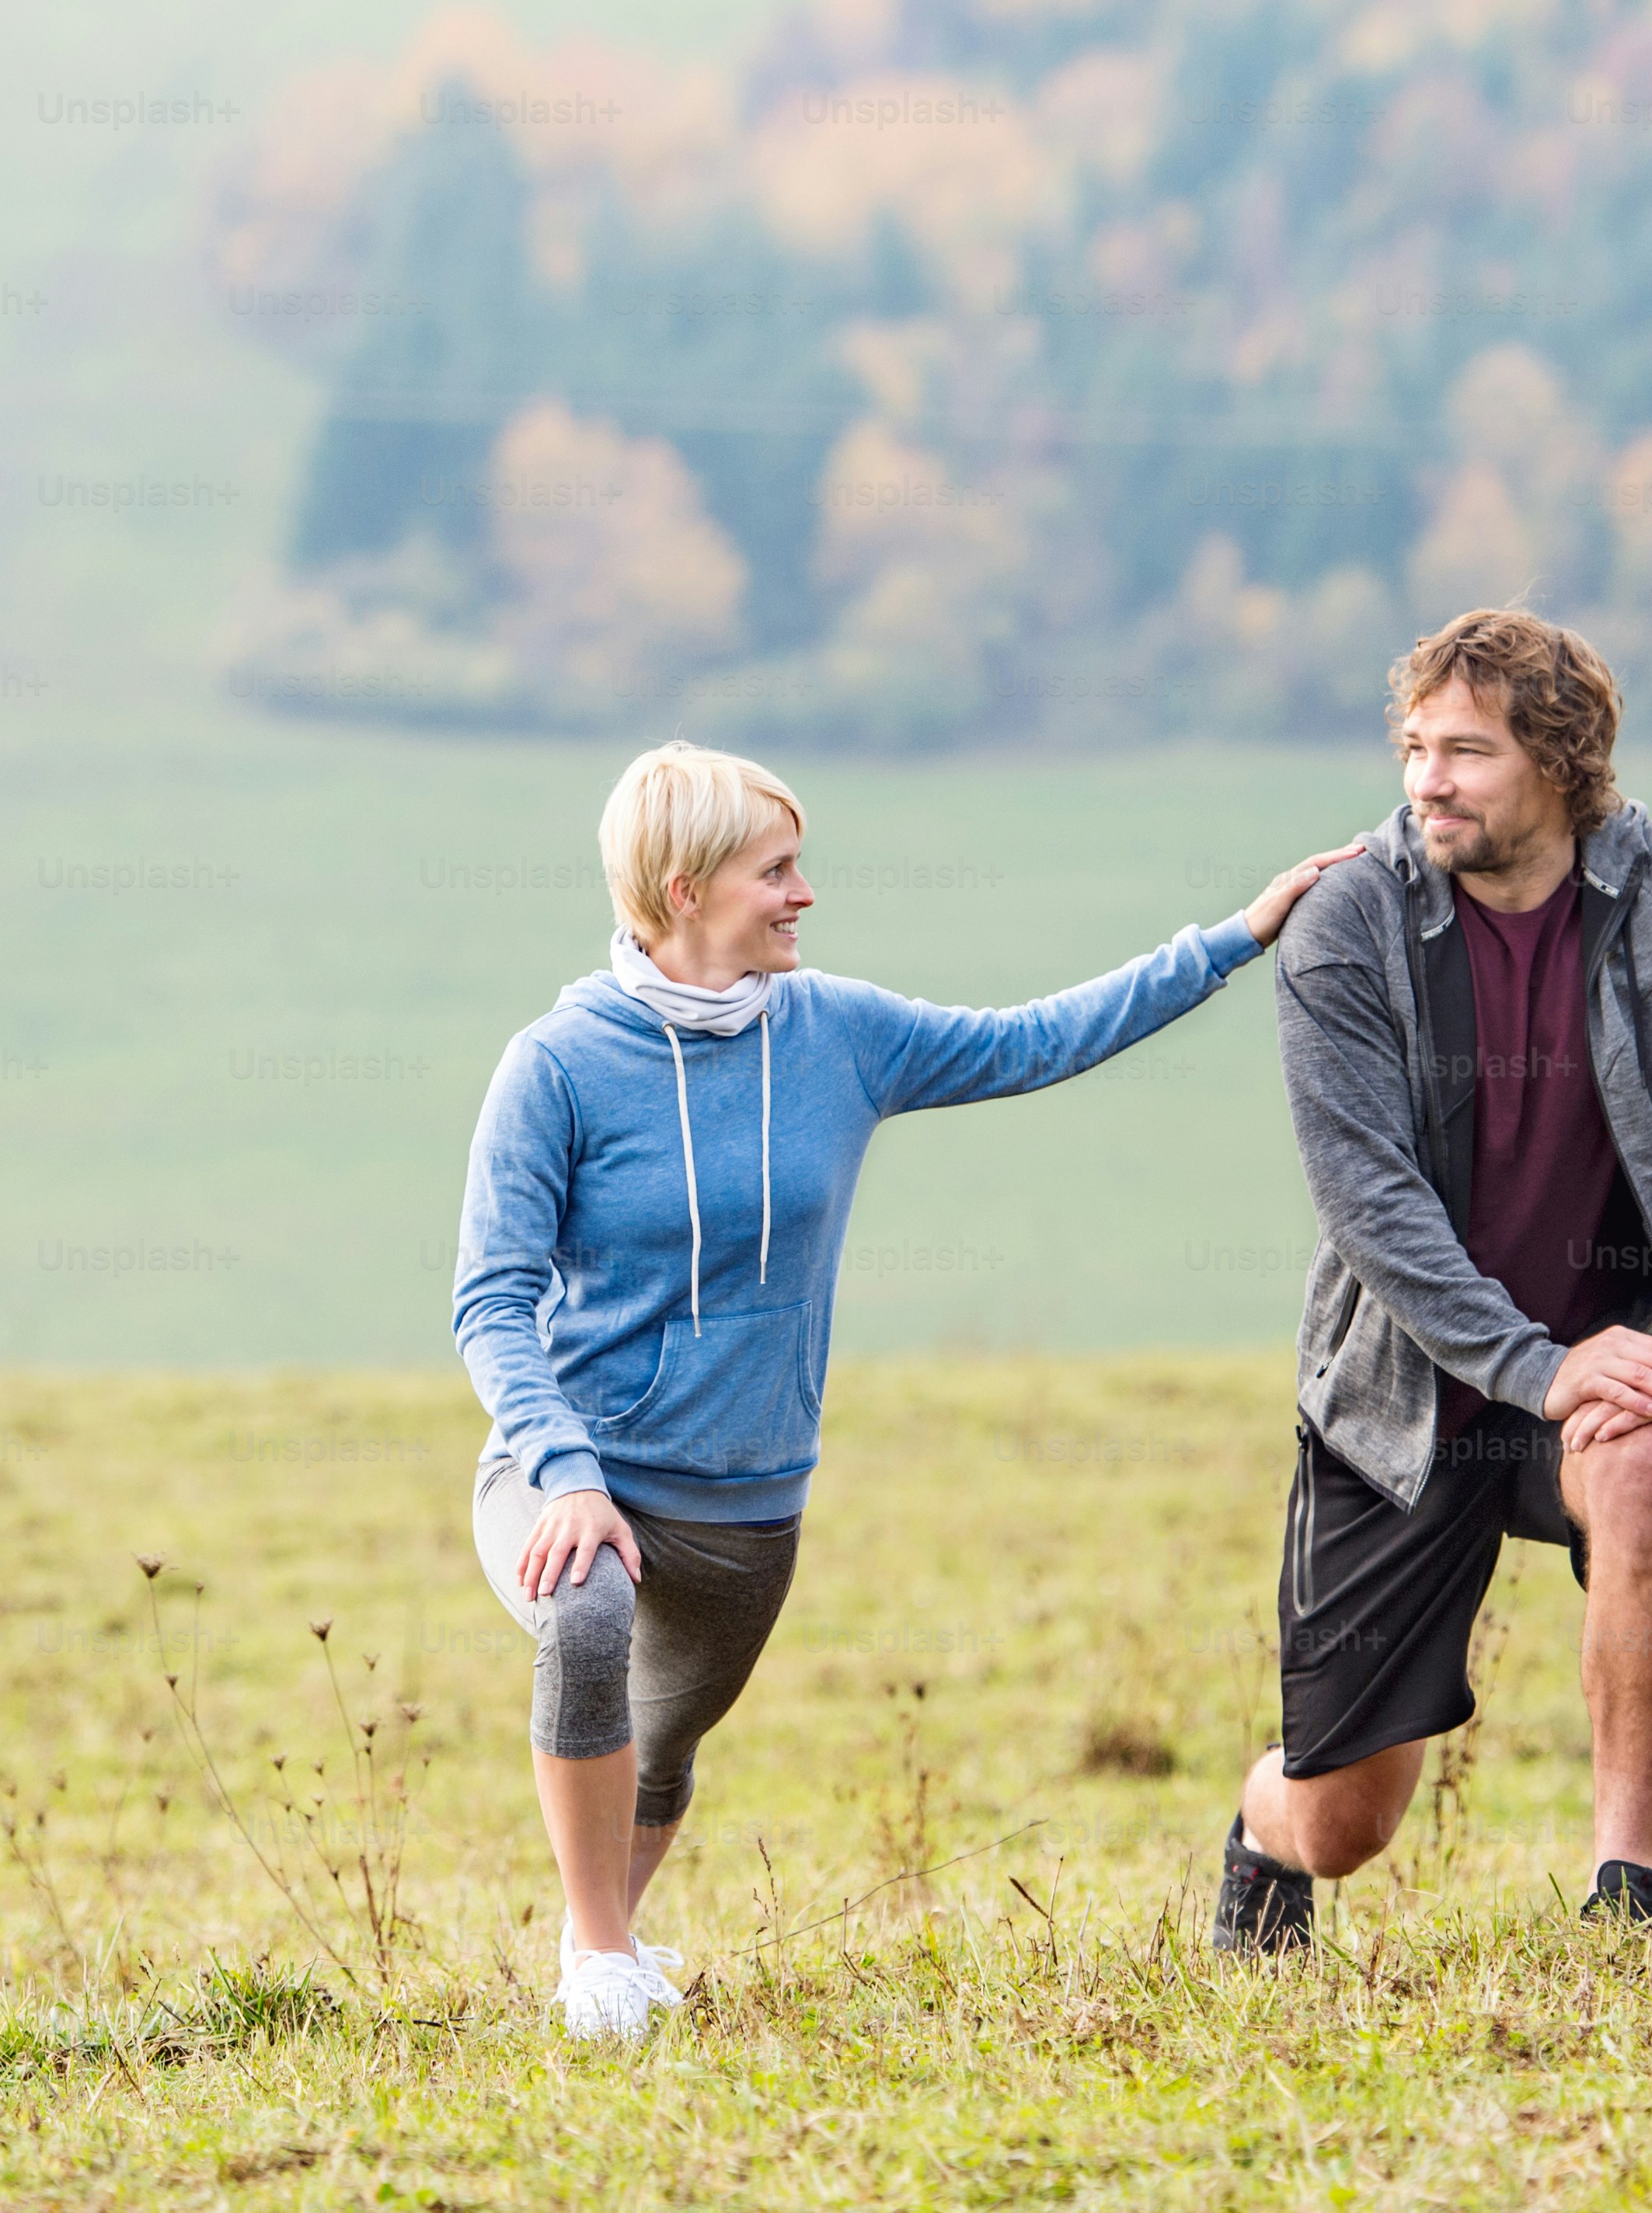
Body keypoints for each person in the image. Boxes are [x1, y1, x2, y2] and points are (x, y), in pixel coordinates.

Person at [457, 741, 1357, 2043]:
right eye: (777, 871)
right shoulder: (556, 1066)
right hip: (572, 1476)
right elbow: (489, 1298)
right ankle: (597, 1961)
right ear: (687, 884)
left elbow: (1038, 1040)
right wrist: (568, 1469)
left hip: (749, 1503)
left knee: (663, 1751)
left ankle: (611, 1935)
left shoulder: (839, 1033)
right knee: (587, 1619)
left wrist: (1237, 937)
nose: (804, 894)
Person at [1214, 608, 1652, 1950]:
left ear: (1560, 761)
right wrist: (1538, 1367)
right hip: (1399, 1398)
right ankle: (1262, 1825)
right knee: (1347, 1824)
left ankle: (1629, 1894)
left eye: (1468, 753)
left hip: (1599, 1368)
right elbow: (1371, 1201)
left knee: (1650, 1451)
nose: (1426, 780)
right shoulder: (1347, 927)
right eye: (1417, 748)